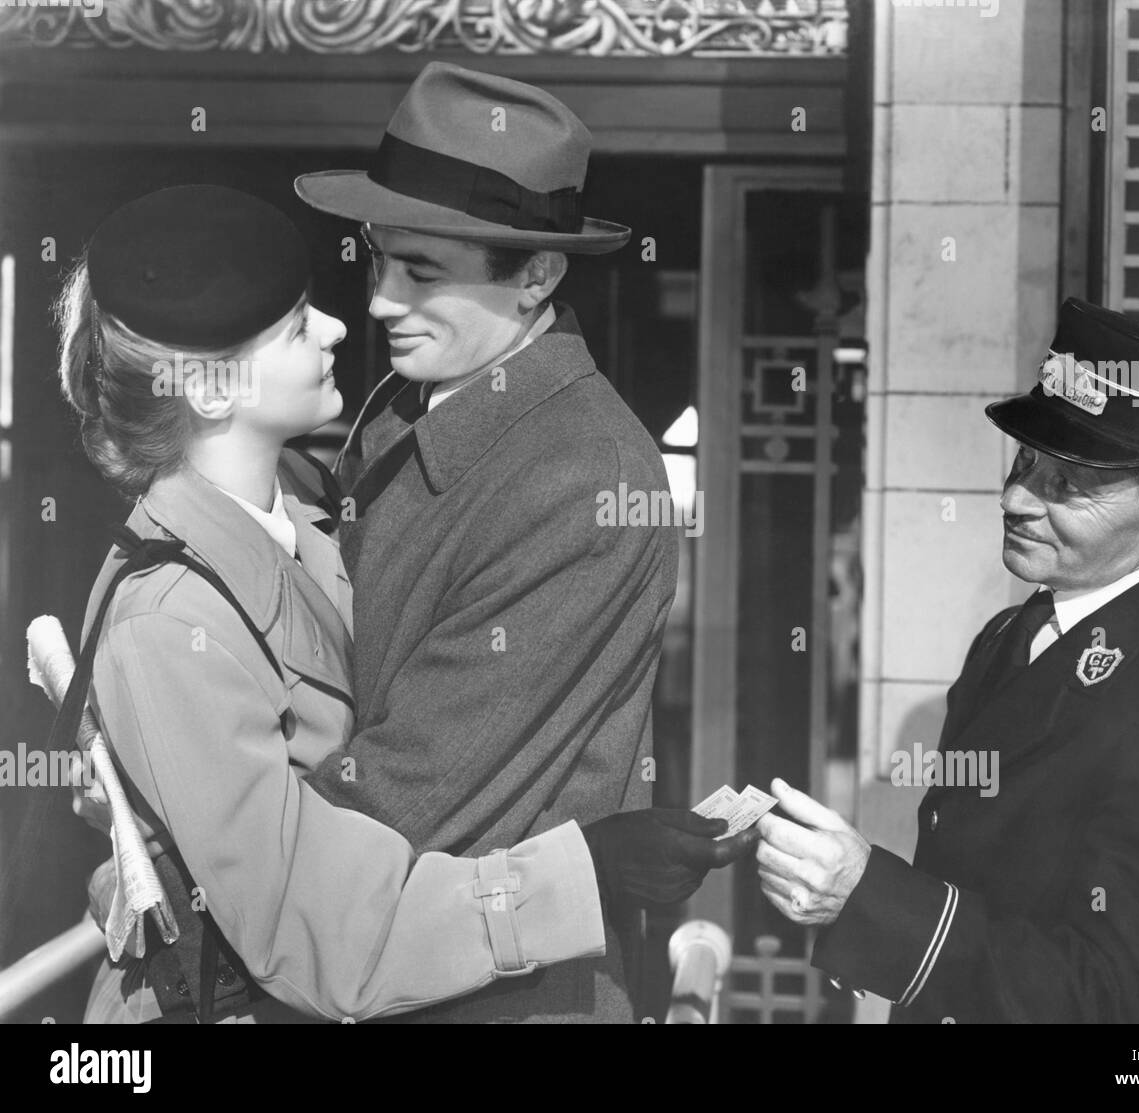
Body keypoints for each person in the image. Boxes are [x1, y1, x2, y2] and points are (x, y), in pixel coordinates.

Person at [56, 184, 752, 1024]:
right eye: (295, 326)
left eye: (419, 269)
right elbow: (315, 923)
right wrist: (582, 873)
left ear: (536, 276)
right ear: (211, 391)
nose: (353, 318)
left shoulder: (319, 512)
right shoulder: (171, 614)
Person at [753, 298, 1139, 1023]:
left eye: (1068, 484)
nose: (1015, 498)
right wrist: (858, 896)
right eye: (1026, 459)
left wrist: (870, 895)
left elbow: (1099, 999)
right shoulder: (1014, 633)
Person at [291, 62, 682, 1022]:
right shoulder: (410, 405)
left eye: (422, 272)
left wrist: (215, 841)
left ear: (538, 276)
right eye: (379, 258)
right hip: (373, 955)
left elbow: (413, 786)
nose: (380, 302)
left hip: (493, 990)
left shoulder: (588, 475)